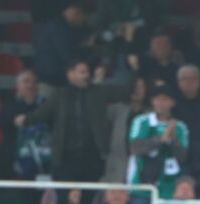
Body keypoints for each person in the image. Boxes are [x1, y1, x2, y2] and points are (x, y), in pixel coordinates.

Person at [23, 59, 128, 191]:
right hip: (65, 158)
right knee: (64, 198)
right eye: (82, 72)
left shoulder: (98, 92)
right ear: (71, 74)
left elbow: (126, 92)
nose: (86, 75)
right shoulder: (60, 95)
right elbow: (41, 114)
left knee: (89, 199)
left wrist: (134, 69)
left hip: (92, 158)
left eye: (87, 72)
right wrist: (24, 119)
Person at [128, 83, 190, 201]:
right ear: (152, 101)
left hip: (169, 188)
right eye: (157, 99)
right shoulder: (141, 121)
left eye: (165, 99)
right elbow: (135, 148)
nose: (161, 103)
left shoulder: (180, 127)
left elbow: (183, 157)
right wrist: (161, 139)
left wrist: (173, 139)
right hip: (141, 187)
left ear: (173, 102)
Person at [0, 69, 51, 178]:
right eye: (26, 82)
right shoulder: (9, 105)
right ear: (18, 85)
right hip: (15, 154)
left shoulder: (46, 104)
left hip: (43, 155)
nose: (30, 85)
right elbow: (5, 121)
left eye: (34, 82)